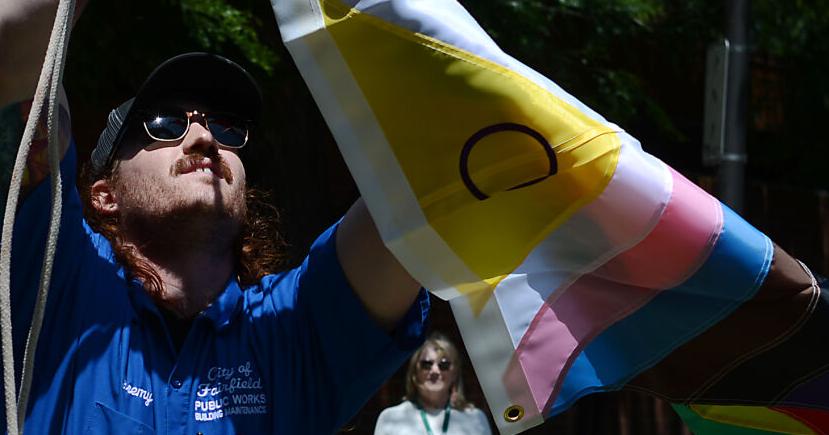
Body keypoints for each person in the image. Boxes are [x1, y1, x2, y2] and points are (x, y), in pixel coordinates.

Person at [0, 1, 428, 433]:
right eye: (165, 124)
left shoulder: (292, 329)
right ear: (105, 195)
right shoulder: (52, 277)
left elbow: (425, 192)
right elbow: (12, 43)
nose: (204, 138)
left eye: (226, 129)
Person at [374, 333, 492, 435]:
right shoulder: (391, 417)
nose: (435, 371)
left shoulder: (475, 418)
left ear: (455, 373)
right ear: (415, 372)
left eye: (444, 365)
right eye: (426, 364)